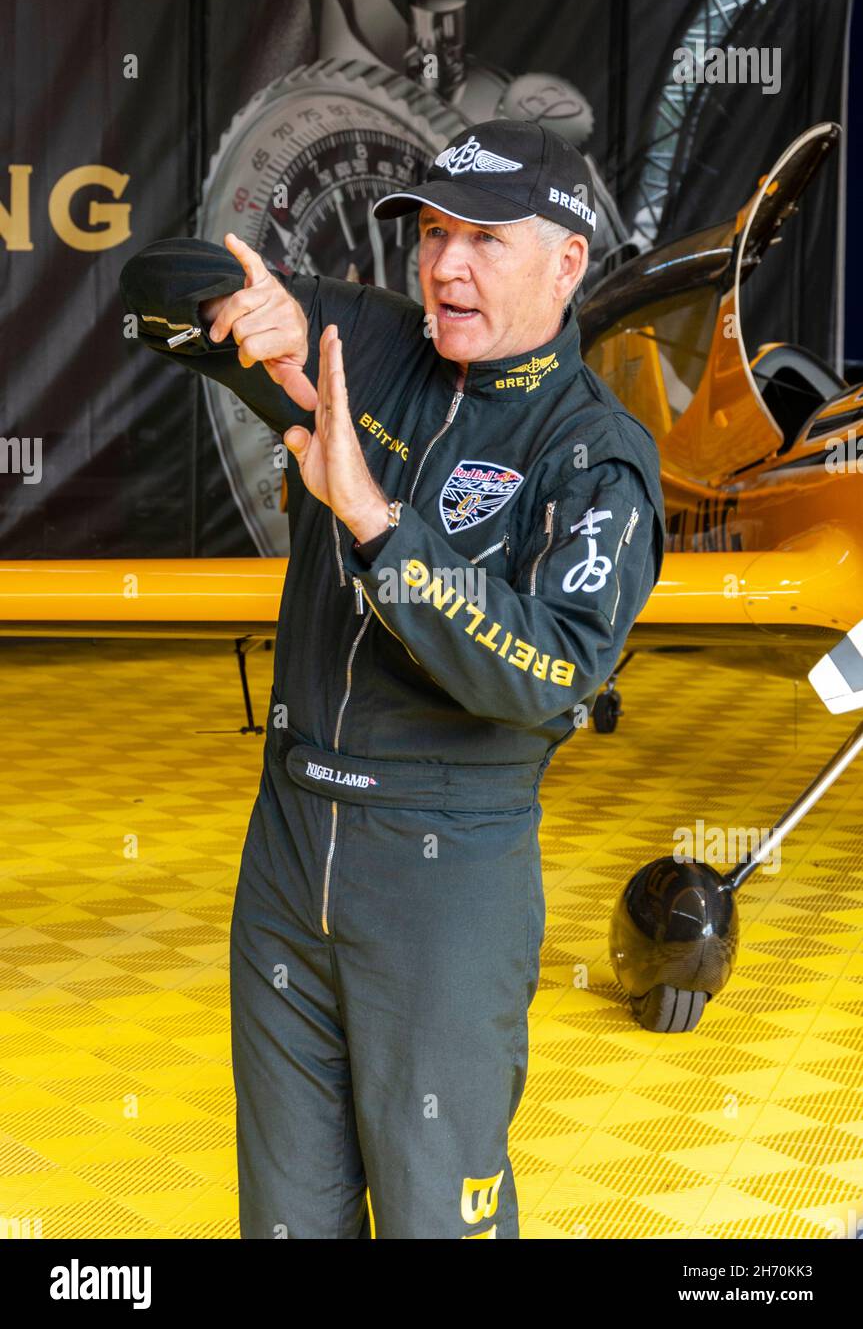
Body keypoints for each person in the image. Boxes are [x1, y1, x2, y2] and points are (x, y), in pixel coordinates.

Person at [119, 118, 665, 1240]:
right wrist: (233, 303)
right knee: (285, 1216)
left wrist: (375, 523)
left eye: (484, 239)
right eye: (431, 234)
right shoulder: (360, 341)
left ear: (567, 260)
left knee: (434, 1220)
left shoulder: (593, 454)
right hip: (288, 850)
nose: (445, 266)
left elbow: (552, 668)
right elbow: (156, 299)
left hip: (444, 872)